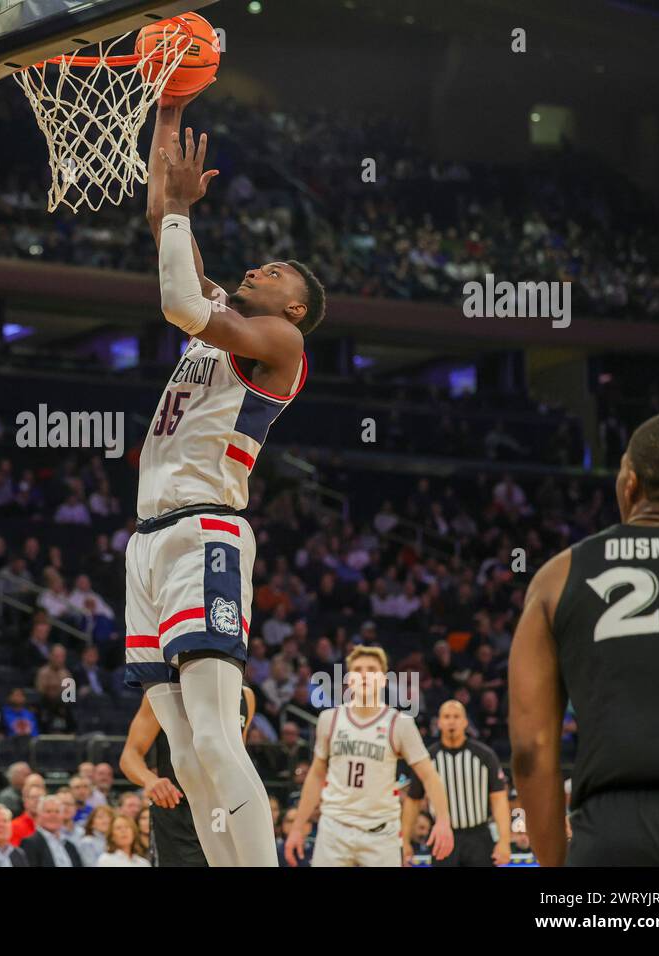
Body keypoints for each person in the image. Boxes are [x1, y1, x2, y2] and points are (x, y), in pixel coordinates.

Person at [123, 93, 322, 868]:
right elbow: (162, 226)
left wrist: (179, 218)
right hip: (150, 540)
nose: (254, 268)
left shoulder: (278, 340)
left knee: (211, 730)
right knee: (183, 747)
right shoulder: (225, 316)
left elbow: (175, 296)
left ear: (295, 306)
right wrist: (168, 111)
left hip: (205, 528)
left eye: (271, 271)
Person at [512, 411, 659, 866]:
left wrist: (556, 864)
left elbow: (531, 750)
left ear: (629, 484)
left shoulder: (557, 577)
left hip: (612, 834)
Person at [285, 646, 454, 867]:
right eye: (358, 670)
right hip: (334, 829)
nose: (364, 675)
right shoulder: (330, 719)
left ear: (383, 680)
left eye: (372, 670)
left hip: (381, 834)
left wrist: (443, 821)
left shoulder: (399, 723)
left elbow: (430, 776)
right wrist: (297, 827)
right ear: (349, 680)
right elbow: (316, 775)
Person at [120, 683, 254, 866]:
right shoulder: (164, 691)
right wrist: (150, 780)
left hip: (222, 811)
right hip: (176, 809)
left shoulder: (245, 696)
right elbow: (129, 755)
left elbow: (239, 760)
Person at [405, 700, 512, 867]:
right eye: (447, 717)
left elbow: (499, 800)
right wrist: (405, 841)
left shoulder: (485, 756)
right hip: (443, 836)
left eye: (456, 716)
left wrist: (504, 841)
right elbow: (413, 800)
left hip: (478, 836)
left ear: (465, 722)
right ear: (439, 722)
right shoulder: (427, 759)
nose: (451, 721)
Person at [20, 795, 83, 867]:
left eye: (57, 812)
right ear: (38, 815)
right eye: (48, 811)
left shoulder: (70, 845)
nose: (53, 815)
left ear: (62, 816)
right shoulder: (30, 843)